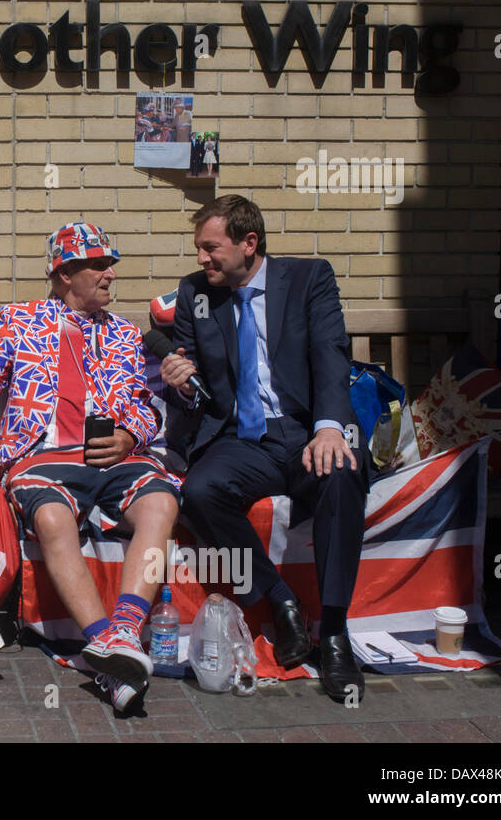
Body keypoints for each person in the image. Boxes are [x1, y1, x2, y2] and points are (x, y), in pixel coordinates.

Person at [0, 222, 181, 712]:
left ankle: (122, 636)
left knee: (161, 500)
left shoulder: (124, 334)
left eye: (111, 264)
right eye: (100, 265)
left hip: (113, 458)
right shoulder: (21, 320)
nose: (111, 274)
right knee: (51, 516)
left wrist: (130, 435)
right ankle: (111, 656)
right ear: (65, 274)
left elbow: (144, 403)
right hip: (41, 458)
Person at [159, 196, 371, 702]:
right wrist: (183, 384)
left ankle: (336, 634)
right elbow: (197, 390)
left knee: (342, 470)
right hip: (241, 439)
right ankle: (280, 601)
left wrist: (329, 428)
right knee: (202, 490)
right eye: (199, 250)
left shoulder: (308, 278)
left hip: (302, 431)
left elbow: (330, 356)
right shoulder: (195, 294)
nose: (202, 260)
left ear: (248, 243)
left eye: (212, 248)